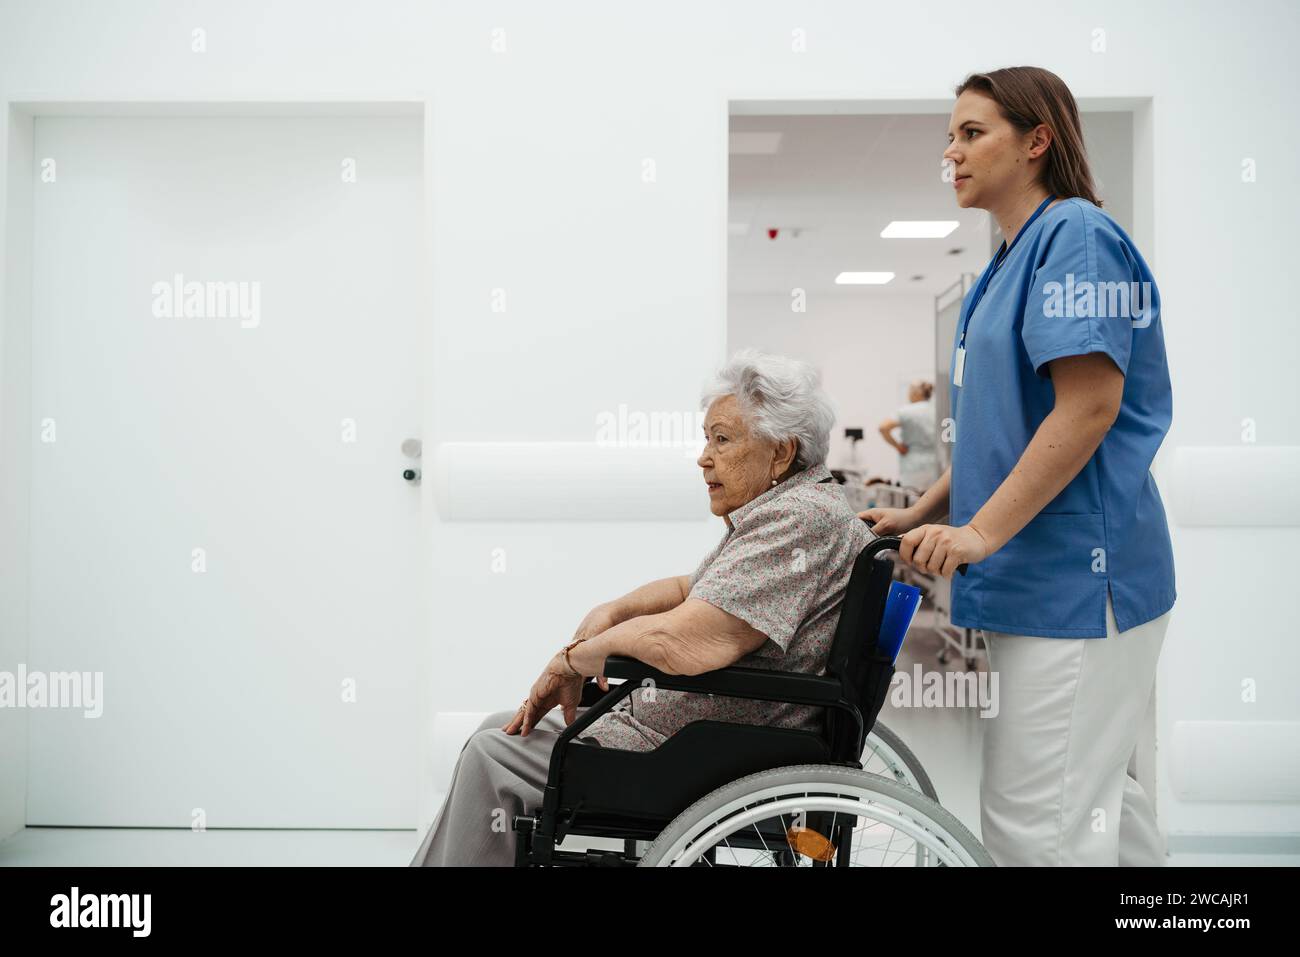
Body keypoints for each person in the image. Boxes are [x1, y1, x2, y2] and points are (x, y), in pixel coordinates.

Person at [861, 66, 1176, 867]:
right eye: (950, 136)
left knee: (1037, 830)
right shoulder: (1005, 262)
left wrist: (977, 533)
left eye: (972, 133)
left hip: (1078, 581)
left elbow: (1089, 408)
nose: (952, 153)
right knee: (1102, 805)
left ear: (1036, 141)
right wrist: (927, 512)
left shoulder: (1075, 237)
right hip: (1043, 580)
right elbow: (995, 432)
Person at [411, 349, 869, 866]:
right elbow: (692, 588)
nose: (704, 456)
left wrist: (572, 658)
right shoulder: (788, 510)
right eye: (706, 438)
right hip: (700, 732)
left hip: (703, 749)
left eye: (722, 439)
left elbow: (684, 642)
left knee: (491, 756)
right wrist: (614, 610)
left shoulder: (797, 521)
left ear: (782, 453)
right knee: (496, 729)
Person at [877, 380, 939, 491]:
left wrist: (897, 446)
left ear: (917, 393)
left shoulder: (906, 411)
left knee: (913, 503)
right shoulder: (938, 410)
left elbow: (883, 428)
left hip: (913, 468)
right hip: (936, 466)